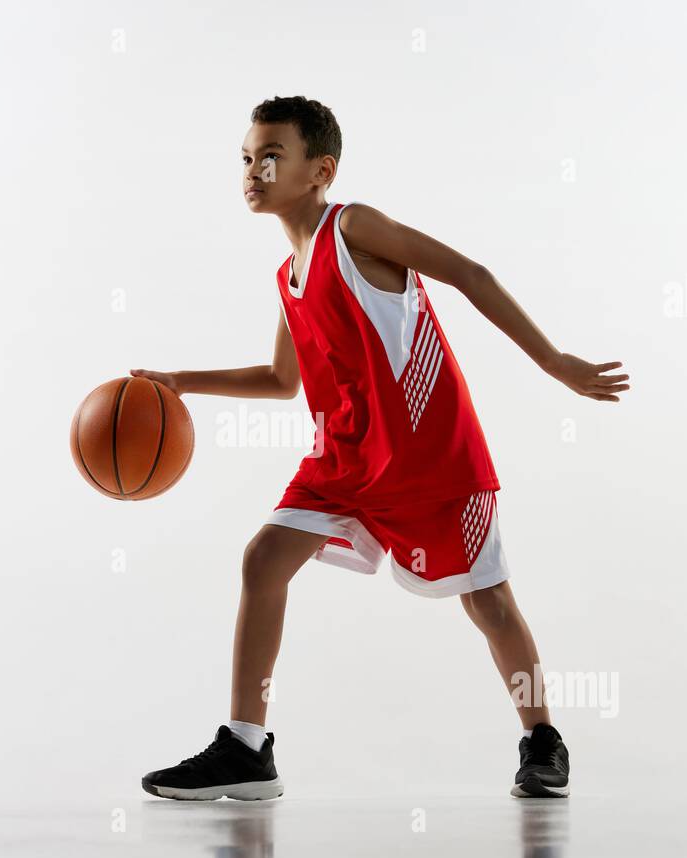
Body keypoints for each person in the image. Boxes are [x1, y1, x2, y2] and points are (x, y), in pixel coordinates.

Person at [130, 95, 629, 801]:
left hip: (429, 455)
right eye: (246, 157)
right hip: (345, 460)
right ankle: (245, 747)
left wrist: (554, 362)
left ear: (320, 170)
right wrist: (181, 382)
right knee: (263, 560)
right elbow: (281, 380)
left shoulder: (353, 227)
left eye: (271, 155)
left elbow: (470, 273)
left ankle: (542, 738)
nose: (253, 170)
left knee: (488, 602)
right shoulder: (289, 275)